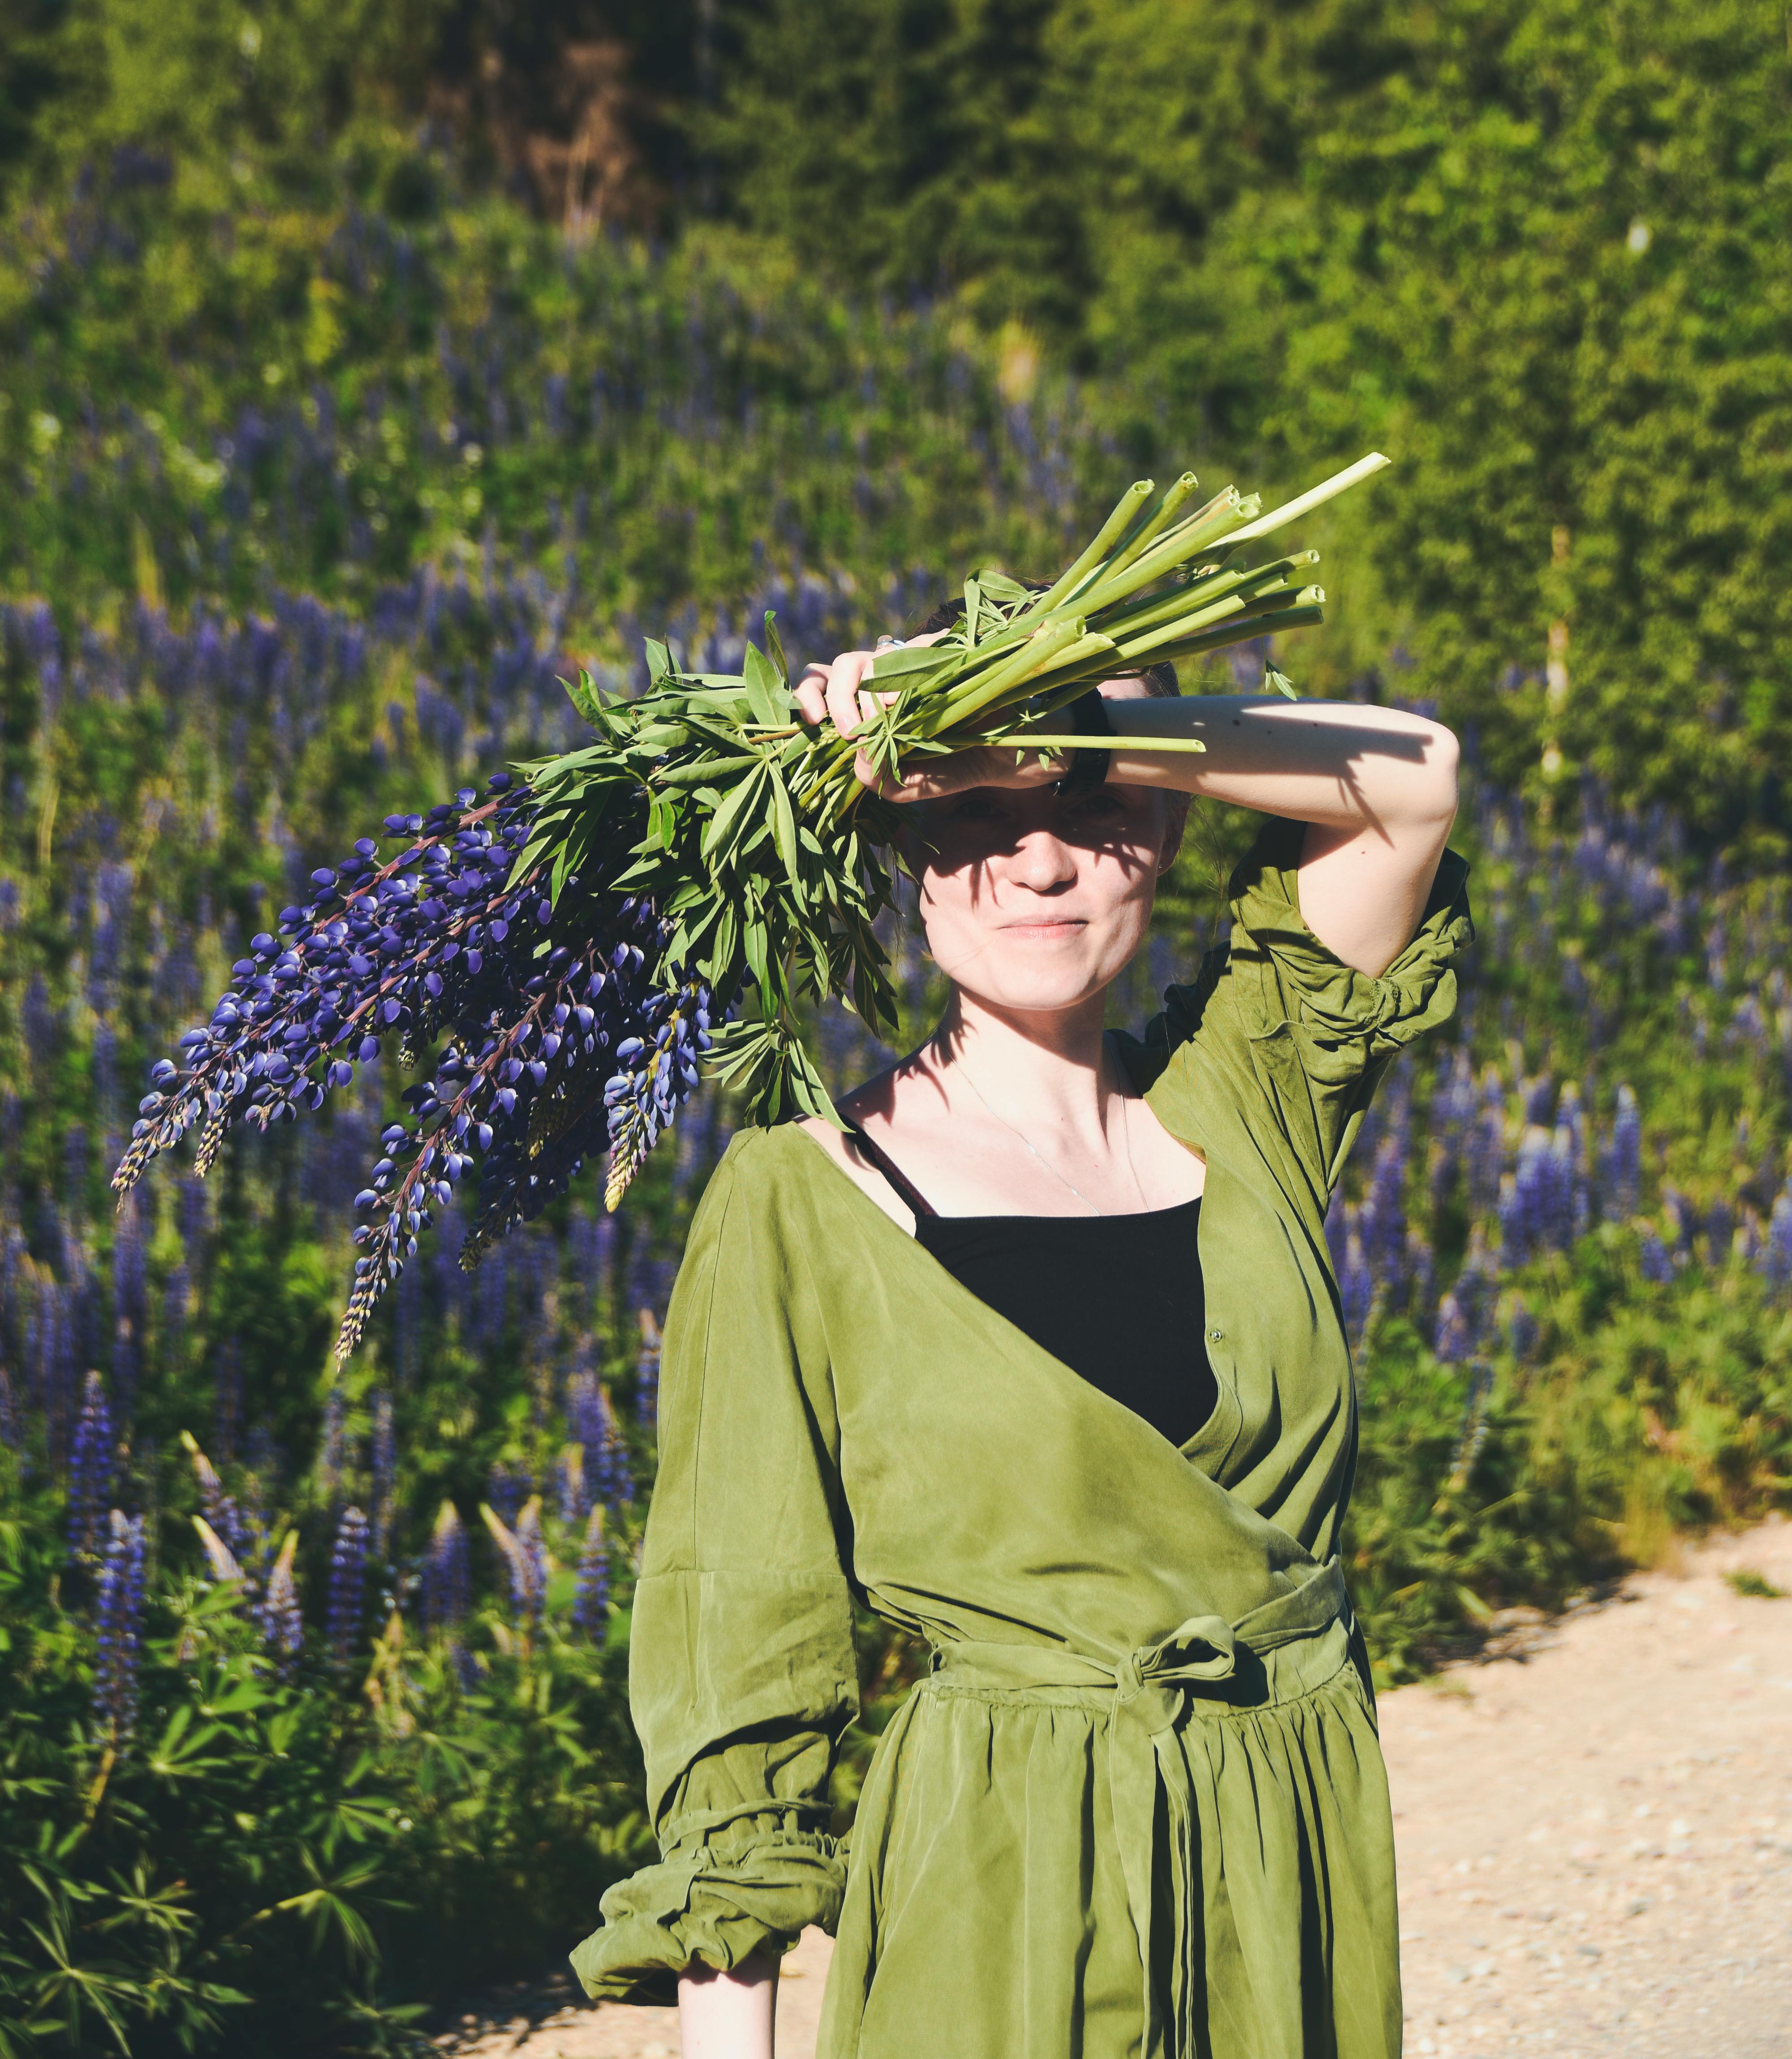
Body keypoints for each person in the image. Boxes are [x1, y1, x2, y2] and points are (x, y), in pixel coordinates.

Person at [571, 635, 1469, 2059]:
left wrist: (1072, 727)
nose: (1039, 864)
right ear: (898, 857)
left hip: (1284, 1857)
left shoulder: (1249, 1091)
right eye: (971, 814)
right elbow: (738, 1642)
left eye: (1087, 811)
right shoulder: (803, 1198)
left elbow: (1413, 780)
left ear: (1163, 832)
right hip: (1005, 1890)